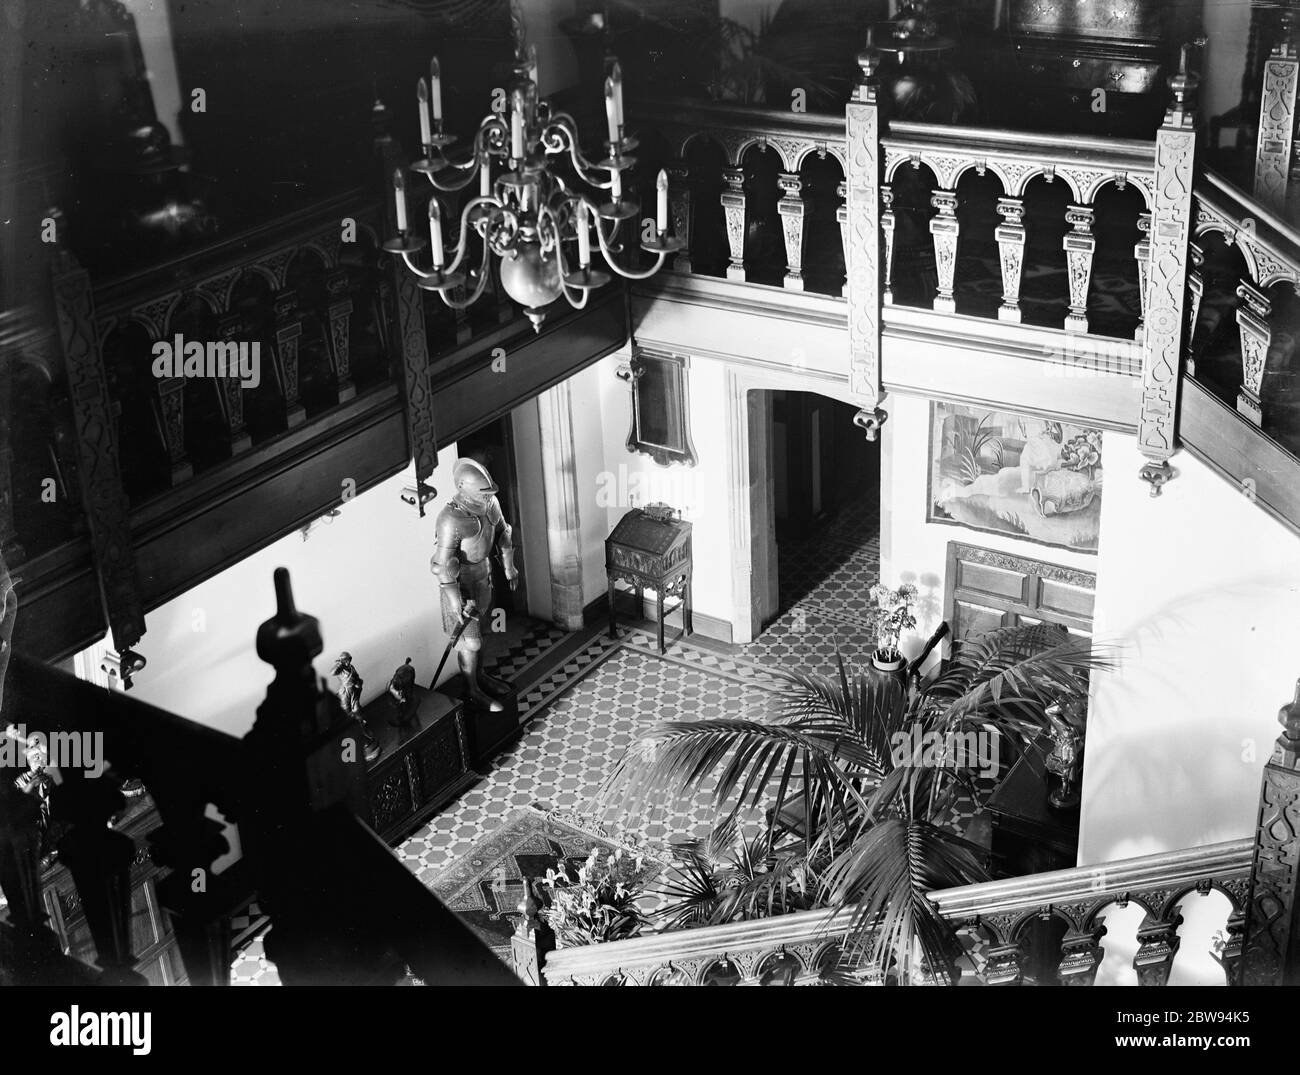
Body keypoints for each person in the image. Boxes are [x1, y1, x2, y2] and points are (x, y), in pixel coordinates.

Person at [430, 459, 518, 712]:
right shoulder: (450, 518)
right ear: (462, 487)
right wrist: (456, 602)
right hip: (462, 588)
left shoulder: (491, 503)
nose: (487, 498)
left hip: (484, 577)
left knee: (486, 634)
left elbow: (503, 533)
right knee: (471, 643)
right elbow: (443, 565)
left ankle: (481, 675)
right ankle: (472, 689)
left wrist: (509, 568)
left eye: (489, 493)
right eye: (483, 493)